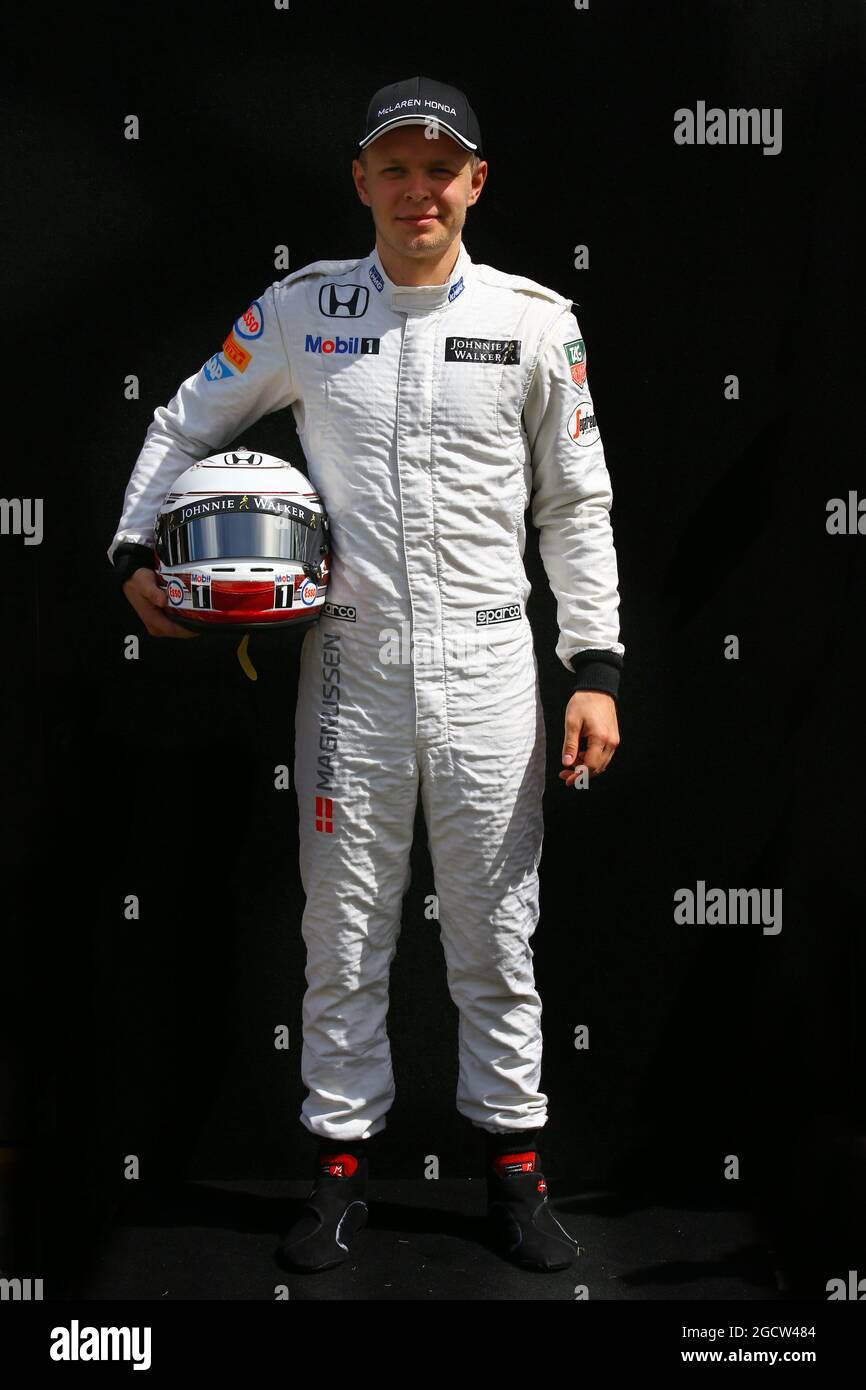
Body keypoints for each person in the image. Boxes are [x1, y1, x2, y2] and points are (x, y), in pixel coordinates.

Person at [108, 75, 624, 1275]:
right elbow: (184, 422)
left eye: (439, 169)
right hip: (351, 667)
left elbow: (576, 503)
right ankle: (337, 1174)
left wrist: (593, 662)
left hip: (492, 664)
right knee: (341, 934)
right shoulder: (304, 311)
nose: (416, 190)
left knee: (495, 935)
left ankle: (513, 1173)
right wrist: (134, 546)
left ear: (475, 182)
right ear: (360, 180)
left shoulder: (535, 322)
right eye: (394, 168)